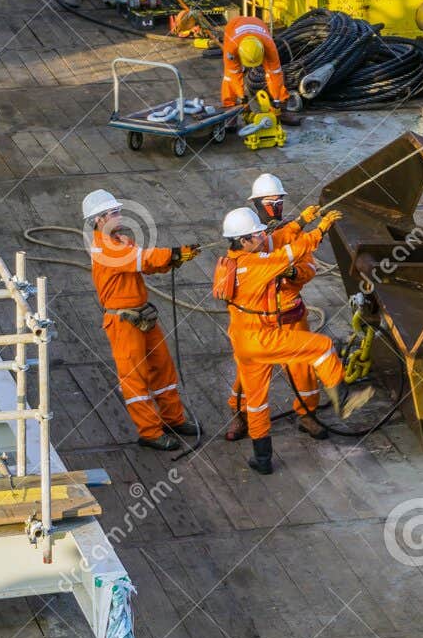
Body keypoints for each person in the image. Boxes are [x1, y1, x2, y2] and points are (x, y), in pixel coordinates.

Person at [218, 206, 374, 475]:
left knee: (256, 401)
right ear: (243, 240)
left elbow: (276, 241)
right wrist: (320, 231)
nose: (262, 237)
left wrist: (300, 222)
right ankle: (343, 398)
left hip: (243, 340)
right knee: (322, 347)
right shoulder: (257, 265)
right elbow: (289, 253)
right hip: (263, 337)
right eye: (256, 234)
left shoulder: (231, 262)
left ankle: (262, 459)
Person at [84, 189, 201, 451]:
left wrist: (172, 260)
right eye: (113, 213)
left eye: (118, 211)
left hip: (140, 315)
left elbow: (145, 264)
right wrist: (173, 254)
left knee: (162, 367)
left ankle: (173, 419)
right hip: (123, 322)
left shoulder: (120, 241)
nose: (119, 215)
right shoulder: (105, 248)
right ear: (99, 219)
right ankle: (150, 432)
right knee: (134, 377)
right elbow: (141, 258)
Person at [224, 173, 327, 442]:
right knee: (248, 372)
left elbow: (309, 267)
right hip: (257, 321)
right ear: (257, 204)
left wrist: (293, 274)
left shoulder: (291, 233)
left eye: (279, 201)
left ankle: (307, 413)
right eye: (270, 202)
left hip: (290, 313)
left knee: (302, 367)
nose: (276, 207)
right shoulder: (245, 235)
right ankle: (240, 413)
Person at [220, 15, 287, 110]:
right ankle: (229, 101)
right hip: (234, 25)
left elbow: (275, 74)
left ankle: (281, 98)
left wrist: (276, 100)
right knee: (229, 74)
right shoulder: (231, 49)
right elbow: (233, 74)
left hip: (258, 23)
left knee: (274, 72)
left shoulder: (270, 47)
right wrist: (242, 96)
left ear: (263, 51)